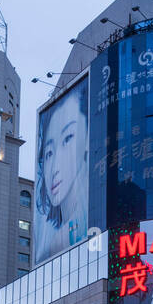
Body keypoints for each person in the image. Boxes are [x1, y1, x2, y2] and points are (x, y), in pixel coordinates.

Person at [33, 83, 88, 265]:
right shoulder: (48, 247)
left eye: (68, 139)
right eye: (48, 153)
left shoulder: (93, 226)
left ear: (88, 138)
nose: (55, 166)